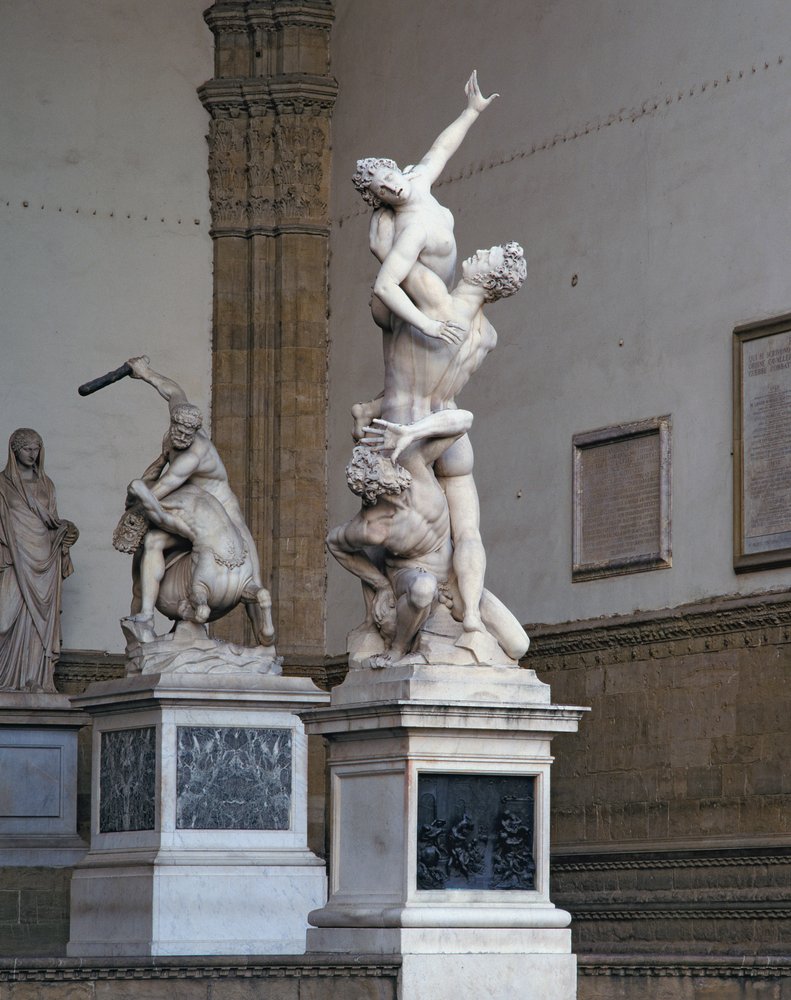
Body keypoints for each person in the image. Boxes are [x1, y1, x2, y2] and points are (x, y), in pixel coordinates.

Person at [352, 242, 527, 638]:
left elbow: (387, 270)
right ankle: (472, 619)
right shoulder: (487, 335)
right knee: (468, 534)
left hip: (407, 429)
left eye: (488, 256)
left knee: (387, 528)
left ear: (489, 278)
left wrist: (402, 211)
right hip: (451, 432)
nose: (479, 252)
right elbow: (439, 381)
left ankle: (387, 617)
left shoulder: (433, 295)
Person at [327, 410, 528, 668]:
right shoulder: (373, 527)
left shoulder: (414, 467)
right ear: (375, 490)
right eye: (384, 472)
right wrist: (382, 584)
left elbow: (464, 420)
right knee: (423, 589)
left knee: (518, 645)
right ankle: (399, 648)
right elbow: (334, 543)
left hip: (453, 579)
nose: (392, 466)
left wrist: (413, 431)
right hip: (412, 576)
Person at [116, 357, 273, 645]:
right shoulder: (180, 420)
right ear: (174, 421)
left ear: (195, 431)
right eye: (179, 431)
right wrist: (146, 373)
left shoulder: (193, 454)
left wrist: (135, 505)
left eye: (189, 434)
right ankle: (145, 616)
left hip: (221, 510)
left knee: (249, 570)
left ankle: (262, 635)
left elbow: (161, 488)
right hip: (189, 509)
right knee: (152, 543)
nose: (183, 437)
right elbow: (174, 391)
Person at [0, 429, 78, 692]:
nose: (32, 454)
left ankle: (35, 680)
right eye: (27, 449)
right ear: (14, 450)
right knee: (4, 621)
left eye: (37, 448)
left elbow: (52, 522)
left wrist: (65, 531)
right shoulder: (2, 485)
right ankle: (6, 680)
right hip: (13, 560)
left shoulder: (47, 485)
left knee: (39, 624)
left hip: (44, 561)